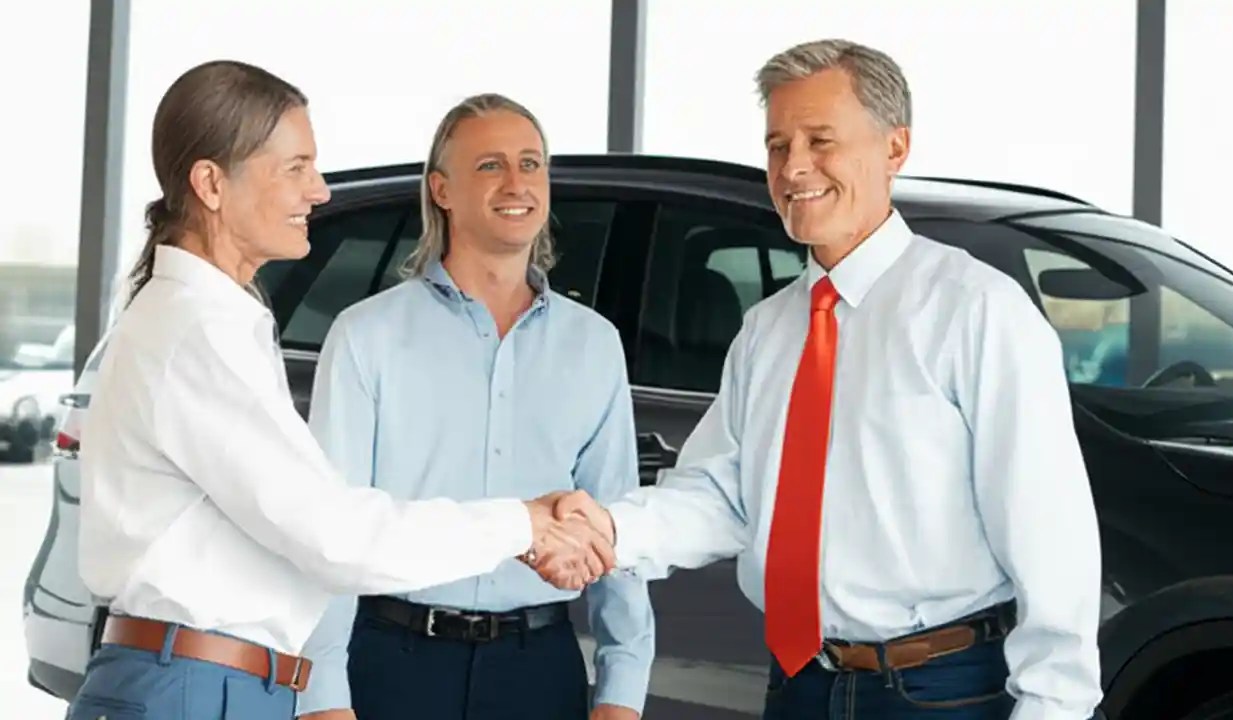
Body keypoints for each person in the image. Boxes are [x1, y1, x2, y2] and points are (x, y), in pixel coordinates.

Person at [547, 38, 1105, 720]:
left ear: (895, 149)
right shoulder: (769, 329)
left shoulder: (976, 312)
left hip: (941, 692)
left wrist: (1054, 710)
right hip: (799, 684)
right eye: (778, 145)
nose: (793, 167)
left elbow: (1051, 540)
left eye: (820, 140)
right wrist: (607, 528)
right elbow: (723, 497)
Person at [68, 61, 611, 720]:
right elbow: (337, 534)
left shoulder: (215, 321)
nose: (319, 191)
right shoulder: (196, 334)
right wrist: (522, 521)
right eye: (294, 168)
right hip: (196, 688)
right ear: (211, 183)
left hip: (214, 683)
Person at [295, 93, 654, 720]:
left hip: (538, 667)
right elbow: (334, 530)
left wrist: (621, 692)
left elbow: (612, 526)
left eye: (531, 163)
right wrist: (323, 698)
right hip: (393, 664)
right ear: (441, 190)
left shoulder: (594, 345)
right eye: (490, 165)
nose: (517, 183)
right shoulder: (366, 336)